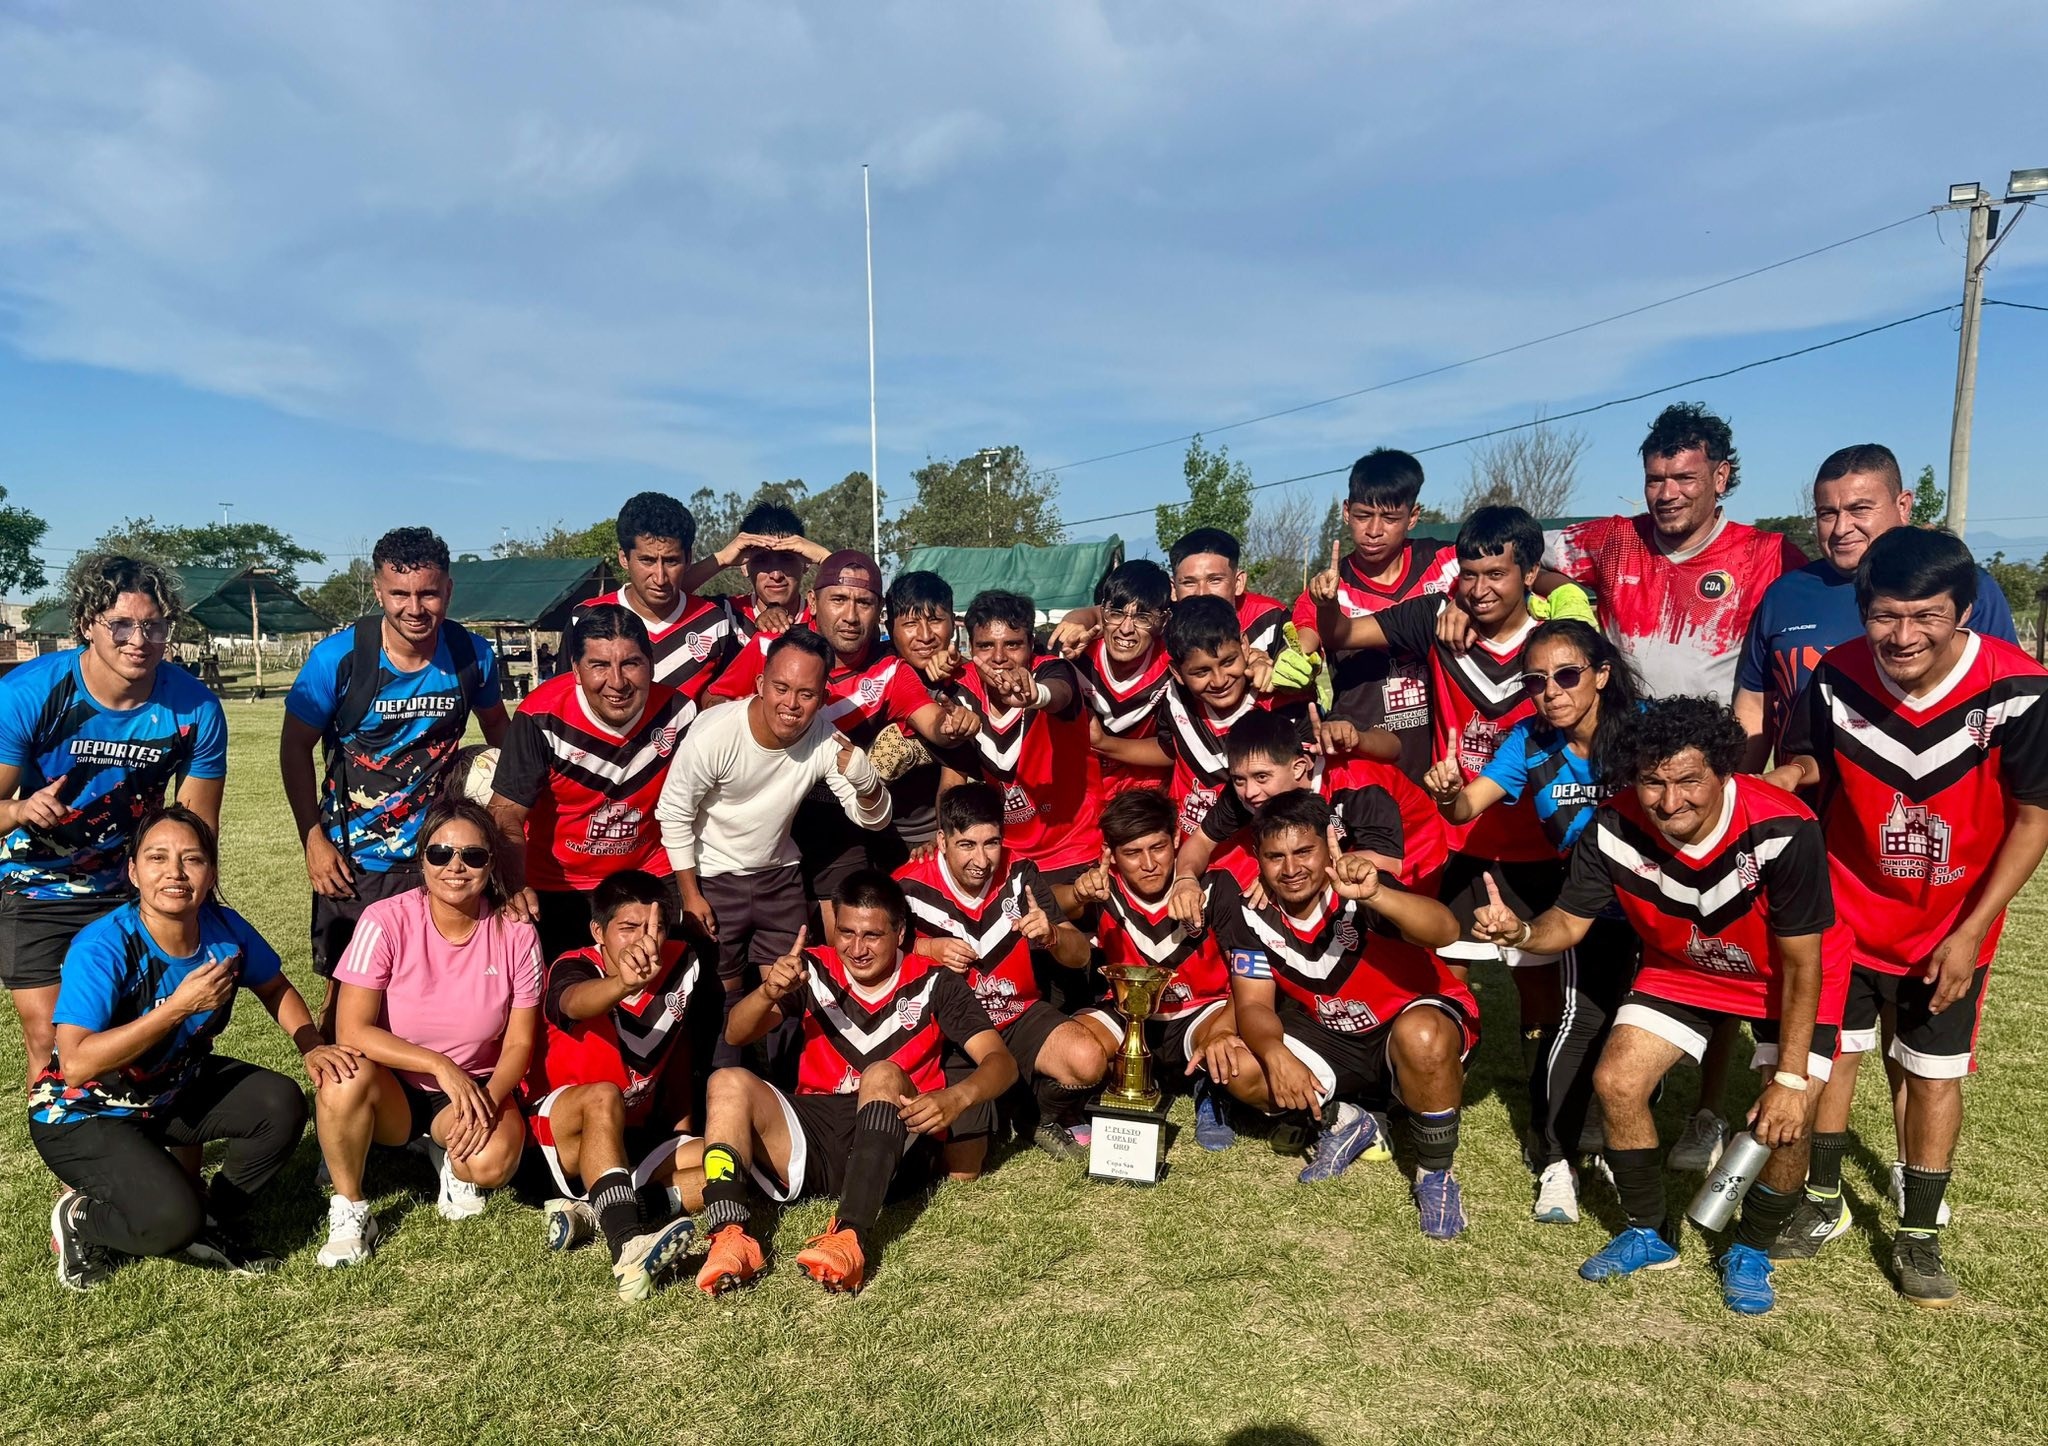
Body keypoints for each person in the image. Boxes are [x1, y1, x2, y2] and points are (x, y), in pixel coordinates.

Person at [1471, 697, 1849, 1315]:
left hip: (1788, 980)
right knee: (1617, 1080)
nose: (1670, 802)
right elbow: (1567, 923)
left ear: (1724, 771)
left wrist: (1789, 1076)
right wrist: (1521, 934)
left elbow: (1805, 962)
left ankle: (1751, 1246)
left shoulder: (1785, 828)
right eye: (1652, 782)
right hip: (1686, 969)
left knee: (1787, 1115)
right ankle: (1649, 1231)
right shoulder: (1610, 827)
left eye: (1688, 781)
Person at [1766, 527, 2048, 1306]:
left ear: (1964, 612)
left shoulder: (2019, 688)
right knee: (1833, 1058)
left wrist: (1970, 931)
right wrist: (1787, 776)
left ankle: (1919, 1235)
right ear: (1864, 611)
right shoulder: (1834, 675)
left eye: (1926, 615)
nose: (1903, 635)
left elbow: (2035, 817)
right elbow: (1815, 763)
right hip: (1847, 907)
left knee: (1930, 1073)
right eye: (1886, 615)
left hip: (1951, 920)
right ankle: (1823, 1201)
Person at [33, 806, 352, 1289]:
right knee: (168, 1223)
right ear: (134, 871)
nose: (175, 872)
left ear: (211, 871)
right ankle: (81, 1218)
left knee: (280, 1102)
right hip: (84, 1114)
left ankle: (214, 1217)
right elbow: (76, 1064)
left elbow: (274, 987)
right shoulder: (104, 945)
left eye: (192, 859)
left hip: (166, 1093)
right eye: (157, 858)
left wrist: (310, 1044)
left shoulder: (223, 929)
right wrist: (177, 1008)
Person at [675, 871, 1017, 1296]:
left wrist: (957, 1096)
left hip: (896, 1137)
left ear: (901, 932)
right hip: (815, 1134)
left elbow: (1001, 1063)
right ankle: (730, 1237)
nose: (857, 948)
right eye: (847, 933)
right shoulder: (812, 968)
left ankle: (849, 1237)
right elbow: (735, 1034)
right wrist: (766, 992)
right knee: (728, 1079)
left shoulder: (937, 982)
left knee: (882, 1071)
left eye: (872, 935)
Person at [1422, 619, 1645, 1224]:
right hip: (1596, 906)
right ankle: (1556, 1161)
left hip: (1667, 902)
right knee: (1581, 1020)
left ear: (1600, 675)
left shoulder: (1646, 729)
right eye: (1537, 681)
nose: (1551, 691)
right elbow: (1470, 804)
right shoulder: (1528, 742)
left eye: (1567, 675)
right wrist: (1448, 794)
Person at [0, 554, 227, 1089]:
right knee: (52, 1040)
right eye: (121, 624)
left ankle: (143, 1149)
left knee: (139, 1032)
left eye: (154, 625)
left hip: (130, 888)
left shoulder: (194, 708)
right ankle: (74, 1169)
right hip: (39, 888)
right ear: (86, 625)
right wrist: (18, 810)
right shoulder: (29, 693)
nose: (138, 639)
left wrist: (192, 900)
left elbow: (196, 828)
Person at [1210, 793, 1475, 1232]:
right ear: (1257, 857)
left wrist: (1377, 896)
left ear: (1329, 842)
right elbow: (1253, 1002)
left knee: (1423, 1034)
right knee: (1240, 1067)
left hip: (1405, 1020)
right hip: (1330, 1031)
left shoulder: (1358, 888)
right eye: (1275, 856)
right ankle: (1351, 1119)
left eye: (1303, 852)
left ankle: (1436, 1173)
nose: (1291, 869)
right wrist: (1275, 1054)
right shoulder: (1249, 913)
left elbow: (1445, 930)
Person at [281, 527, 509, 1034]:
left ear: (448, 589)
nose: (415, 607)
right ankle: (346, 1099)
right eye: (400, 593)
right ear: (378, 589)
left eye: (428, 592)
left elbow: (502, 739)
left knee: (433, 988)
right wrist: (313, 840)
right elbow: (294, 748)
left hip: (441, 856)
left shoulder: (472, 656)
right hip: (353, 861)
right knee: (347, 1002)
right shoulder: (338, 658)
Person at [314, 799, 543, 1266]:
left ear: (491, 864)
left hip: (466, 1090)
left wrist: (487, 1100)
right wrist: (440, 1065)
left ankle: (446, 1155)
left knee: (491, 1163)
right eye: (440, 854)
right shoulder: (384, 920)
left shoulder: (517, 934)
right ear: (422, 860)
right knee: (341, 1075)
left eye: (473, 856)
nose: (455, 867)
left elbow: (520, 1042)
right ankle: (352, 1208)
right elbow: (351, 1029)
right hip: (390, 1084)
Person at [656, 629, 894, 1072]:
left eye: (806, 694)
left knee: (788, 991)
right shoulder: (716, 732)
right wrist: (690, 895)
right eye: (781, 688)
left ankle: (789, 1100)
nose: (791, 704)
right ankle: (722, 1103)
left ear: (823, 697)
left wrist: (864, 779)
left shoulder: (824, 737)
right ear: (759, 683)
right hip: (712, 877)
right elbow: (673, 813)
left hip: (779, 875)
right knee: (722, 997)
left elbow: (874, 819)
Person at [710, 551, 978, 910]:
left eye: (864, 603)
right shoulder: (770, 646)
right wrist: (758, 721)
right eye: (838, 600)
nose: (851, 616)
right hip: (753, 833)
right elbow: (712, 703)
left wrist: (956, 723)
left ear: (878, 610)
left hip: (845, 832)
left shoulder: (891, 671)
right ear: (813, 602)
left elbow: (934, 723)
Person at [1735, 442, 2017, 765]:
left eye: (1860, 509)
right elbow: (1755, 705)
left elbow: (2009, 700)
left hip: (1928, 806)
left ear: (1903, 505)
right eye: (1827, 513)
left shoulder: (1959, 585)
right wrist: (1744, 793)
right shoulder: (1783, 595)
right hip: (1803, 803)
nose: (1841, 528)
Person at [894, 783, 1104, 1157]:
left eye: (991, 843)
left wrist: (1053, 934)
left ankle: (1034, 1113)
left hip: (1017, 1012)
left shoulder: (1021, 874)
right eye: (967, 845)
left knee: (1088, 1059)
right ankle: (997, 1104)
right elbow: (872, 956)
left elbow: (1080, 957)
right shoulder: (907, 886)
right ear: (941, 841)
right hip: (956, 1032)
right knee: (964, 1167)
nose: (981, 859)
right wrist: (928, 948)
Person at [524, 869, 704, 1301]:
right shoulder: (572, 963)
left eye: (657, 927)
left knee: (725, 1158)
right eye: (629, 928)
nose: (647, 940)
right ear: (597, 931)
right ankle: (627, 1245)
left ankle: (596, 1211)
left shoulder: (683, 961)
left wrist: (681, 1131)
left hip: (632, 1138)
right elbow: (572, 1002)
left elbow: (676, 1050)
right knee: (604, 1093)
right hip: (561, 1133)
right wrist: (623, 984)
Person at [486, 603, 696, 961]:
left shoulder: (680, 713)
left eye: (630, 663)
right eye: (599, 665)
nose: (616, 682)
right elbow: (505, 812)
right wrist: (515, 882)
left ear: (651, 664)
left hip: (647, 878)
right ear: (576, 670)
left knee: (669, 989)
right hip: (559, 885)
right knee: (564, 999)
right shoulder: (540, 716)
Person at [1069, 788, 1242, 1151]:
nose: (1149, 864)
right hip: (1126, 1013)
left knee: (1232, 1050)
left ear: (1177, 838)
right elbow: (1053, 904)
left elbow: (1247, 976)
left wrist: (1226, 1028)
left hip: (1199, 1011)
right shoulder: (1102, 888)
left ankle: (1211, 1092)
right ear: (1110, 855)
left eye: (1158, 848)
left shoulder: (1214, 886)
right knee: (1071, 1049)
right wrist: (1077, 893)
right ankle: (1071, 1110)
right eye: (1132, 853)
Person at [1289, 449, 1459, 779]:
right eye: (1364, 515)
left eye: (1391, 518)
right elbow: (1302, 646)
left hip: (1448, 768)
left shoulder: (1452, 565)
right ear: (1346, 512)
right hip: (1366, 770)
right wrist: (1285, 662)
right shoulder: (1324, 592)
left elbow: (1517, 562)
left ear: (1413, 516)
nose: (1374, 530)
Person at [937, 589, 1105, 917]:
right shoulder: (960, 690)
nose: (999, 657)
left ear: (1031, 645)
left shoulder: (1052, 672)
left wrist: (1036, 694)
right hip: (1004, 856)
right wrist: (943, 836)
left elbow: (1059, 693)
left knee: (1067, 949)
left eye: (1012, 644)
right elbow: (952, 782)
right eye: (986, 645)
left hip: (1072, 849)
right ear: (971, 648)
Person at [1091, 596, 1315, 842]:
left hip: (1258, 850)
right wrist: (1104, 743)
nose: (1219, 681)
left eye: (1228, 662)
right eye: (1201, 671)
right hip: (1189, 850)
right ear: (1177, 672)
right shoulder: (1174, 699)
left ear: (1244, 645)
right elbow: (1169, 748)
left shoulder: (1281, 700)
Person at [1172, 707, 1441, 897]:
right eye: (1239, 779)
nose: (1250, 791)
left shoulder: (1357, 785)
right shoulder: (1246, 790)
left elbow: (1387, 862)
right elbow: (1201, 842)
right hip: (1334, 857)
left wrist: (1277, 877)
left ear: (1299, 767)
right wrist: (1184, 879)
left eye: (1262, 777)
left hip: (1414, 853)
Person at [1053, 527, 1292, 688]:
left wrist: (1272, 667)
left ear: (1239, 582)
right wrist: (1079, 618)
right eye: (1189, 582)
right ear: (1174, 588)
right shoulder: (1167, 619)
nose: (1202, 592)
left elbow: (1302, 670)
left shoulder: (1270, 618)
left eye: (1215, 580)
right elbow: (1115, 612)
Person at [569, 492, 736, 704]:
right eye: (647, 560)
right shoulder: (583, 617)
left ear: (689, 558)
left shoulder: (714, 622)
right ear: (624, 558)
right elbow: (564, 701)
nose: (660, 577)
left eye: (671, 561)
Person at [874, 570, 979, 850]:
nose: (925, 636)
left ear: (952, 624)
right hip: (865, 833)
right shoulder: (874, 670)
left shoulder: (967, 680)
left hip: (932, 838)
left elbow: (954, 773)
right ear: (889, 625)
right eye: (910, 623)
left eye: (935, 620)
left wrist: (941, 836)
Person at [1071, 561, 1175, 797]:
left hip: (1145, 796)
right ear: (1103, 612)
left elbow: (1174, 750)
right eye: (1117, 613)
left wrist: (1103, 743)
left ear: (1164, 620)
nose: (1126, 629)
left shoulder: (1174, 667)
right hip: (1082, 792)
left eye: (1142, 618)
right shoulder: (1075, 655)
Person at [679, 499, 826, 646]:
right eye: (761, 560)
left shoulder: (823, 616)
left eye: (787, 558)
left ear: (806, 563)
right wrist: (722, 558)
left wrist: (824, 557)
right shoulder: (728, 613)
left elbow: (849, 594)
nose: (776, 575)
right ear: (744, 567)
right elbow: (666, 596)